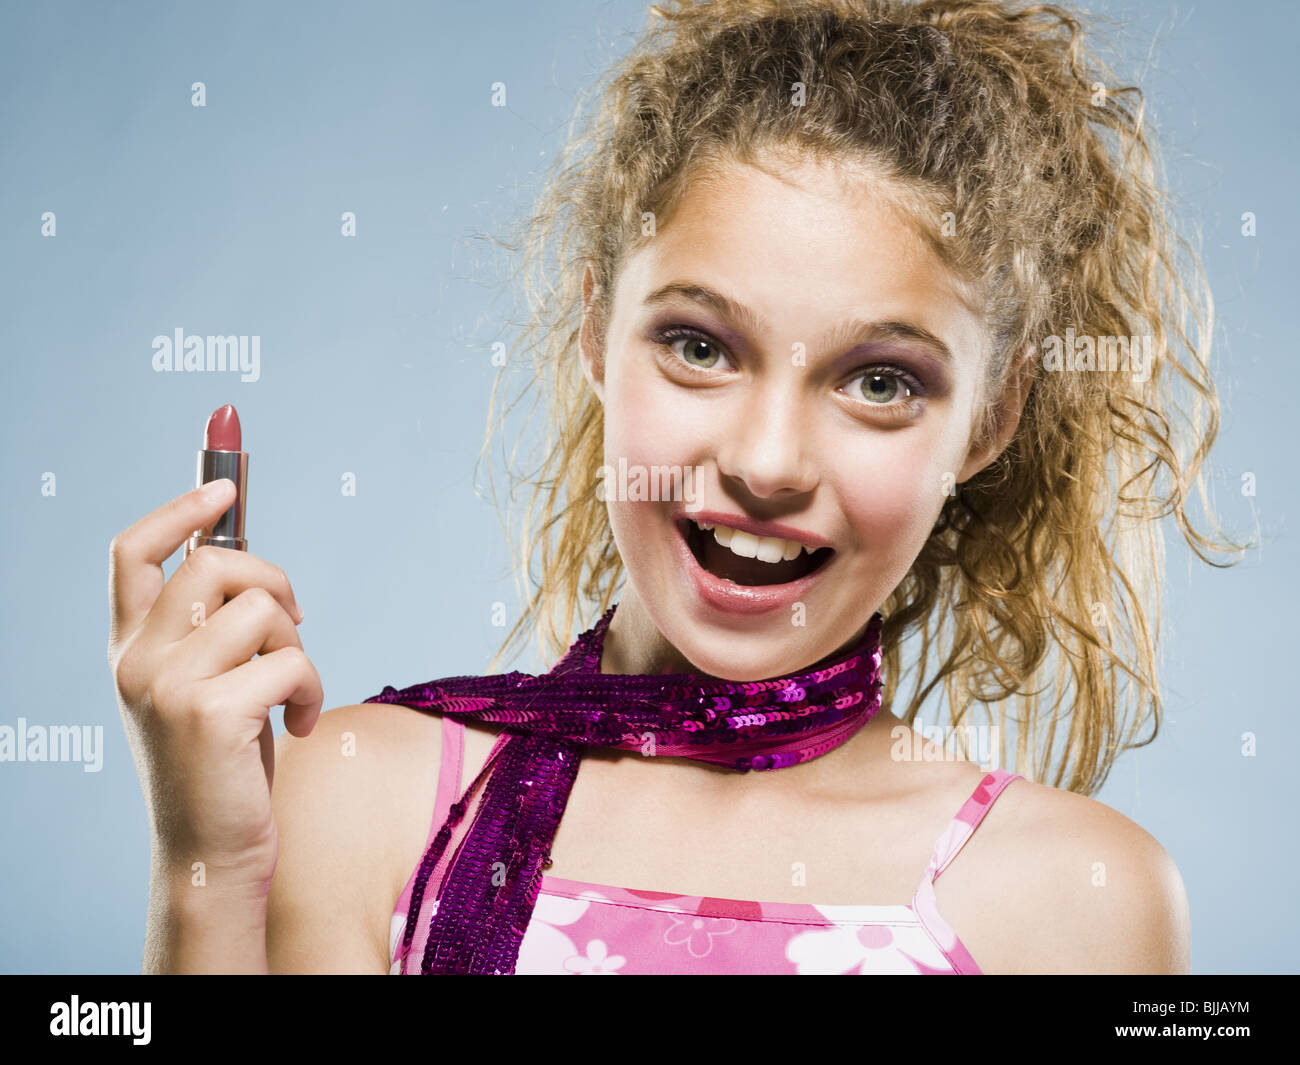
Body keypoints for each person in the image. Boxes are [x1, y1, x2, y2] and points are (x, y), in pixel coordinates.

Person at [108, 0, 1245, 974]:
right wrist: (206, 873)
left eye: (881, 381)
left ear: (989, 421)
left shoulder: (1081, 902)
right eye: (700, 346)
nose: (765, 462)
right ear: (596, 333)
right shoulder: (353, 803)